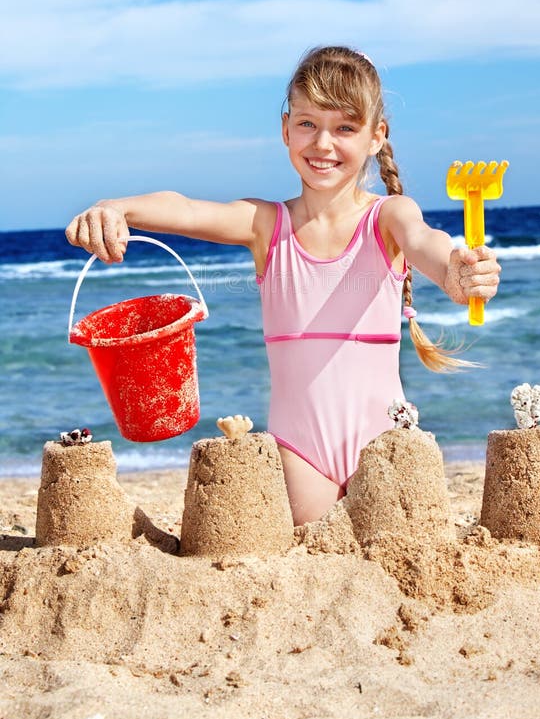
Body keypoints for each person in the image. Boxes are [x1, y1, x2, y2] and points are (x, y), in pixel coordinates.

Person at [66, 46, 501, 525]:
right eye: (308, 123)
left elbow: (427, 244)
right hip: (300, 449)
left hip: (386, 439)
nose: (323, 143)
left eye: (345, 128)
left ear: (377, 136)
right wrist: (114, 207)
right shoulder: (266, 224)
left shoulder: (389, 216)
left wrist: (456, 274)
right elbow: (185, 208)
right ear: (285, 128)